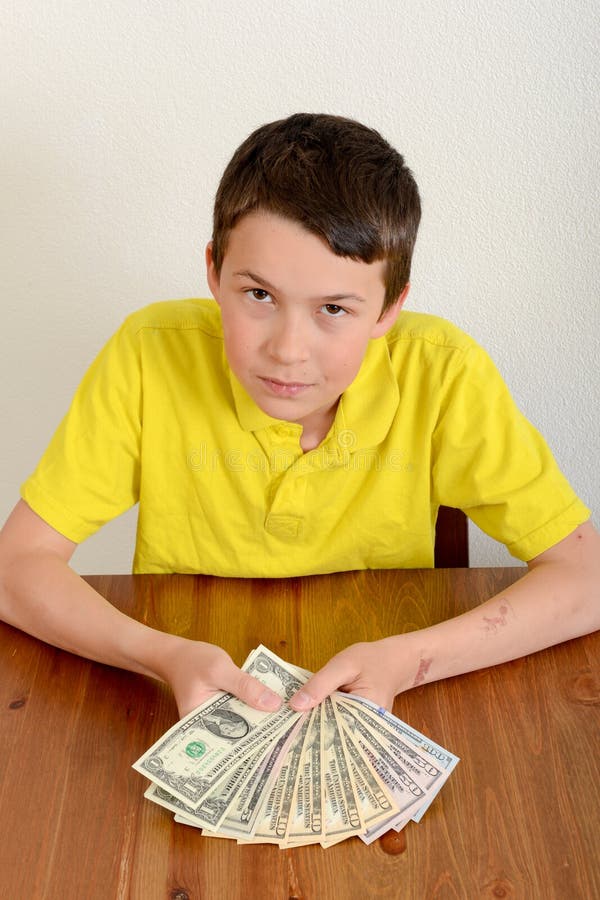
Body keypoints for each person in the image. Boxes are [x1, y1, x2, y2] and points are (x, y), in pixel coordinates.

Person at [0, 113, 598, 720]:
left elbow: (585, 580)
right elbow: (15, 566)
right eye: (259, 295)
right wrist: (161, 655)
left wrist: (410, 658)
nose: (287, 350)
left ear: (390, 307)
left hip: (392, 680)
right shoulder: (149, 353)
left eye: (334, 308)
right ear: (213, 271)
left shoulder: (443, 371)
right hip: (183, 676)